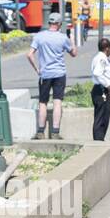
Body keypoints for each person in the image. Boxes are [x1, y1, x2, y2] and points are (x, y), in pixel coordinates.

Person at [27, 10, 76, 139]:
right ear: (59, 24)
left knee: (42, 102)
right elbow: (74, 53)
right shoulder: (63, 38)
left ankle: (40, 132)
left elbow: (29, 54)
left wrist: (37, 69)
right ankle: (55, 132)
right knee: (57, 102)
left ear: (49, 23)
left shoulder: (39, 37)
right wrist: (72, 41)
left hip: (45, 74)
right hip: (59, 73)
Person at [90, 37, 110, 142]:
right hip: (102, 91)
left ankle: (100, 140)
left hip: (100, 90)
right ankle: (99, 141)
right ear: (107, 48)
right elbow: (97, 73)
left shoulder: (98, 57)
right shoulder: (102, 59)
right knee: (101, 118)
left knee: (102, 117)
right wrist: (107, 85)